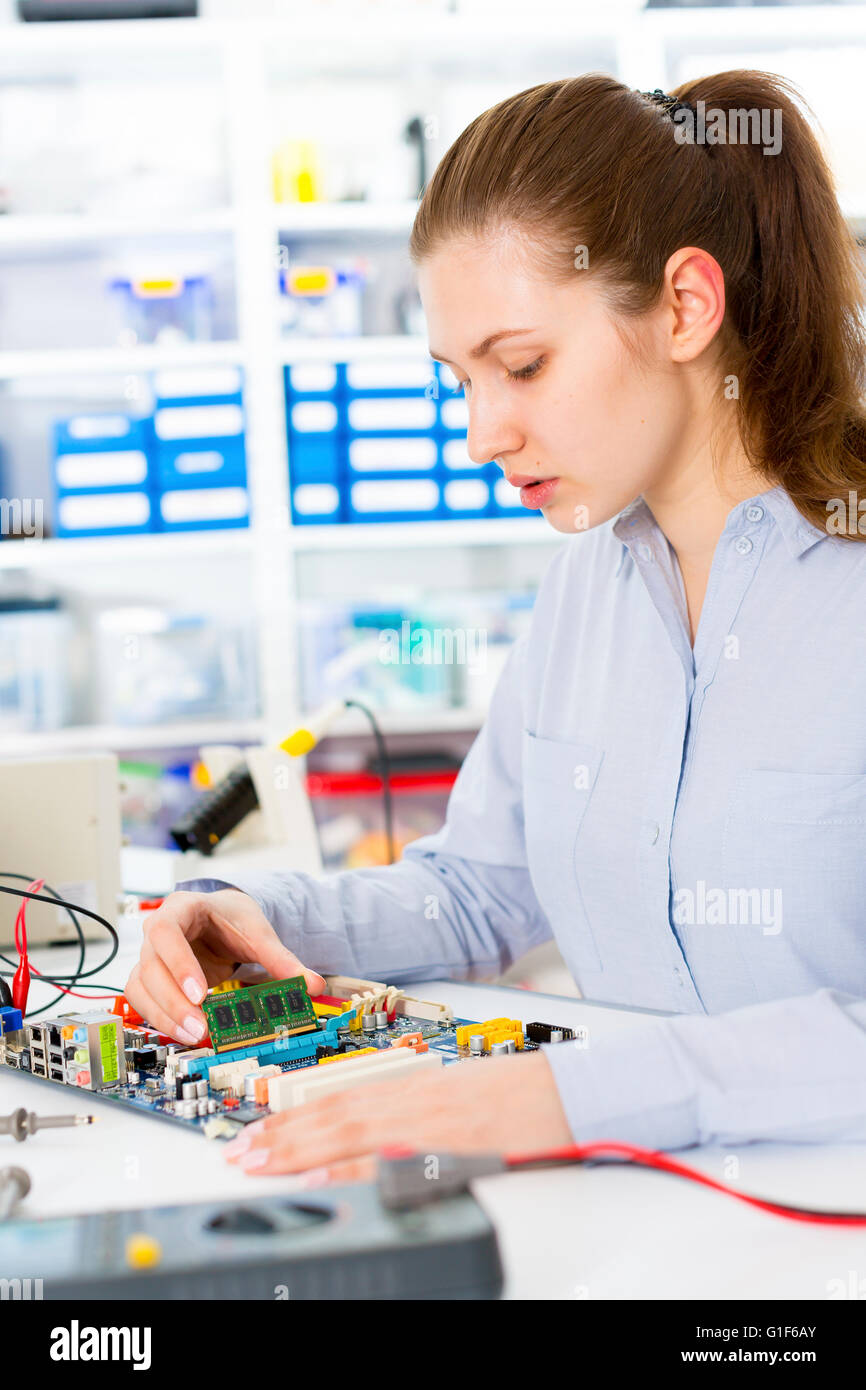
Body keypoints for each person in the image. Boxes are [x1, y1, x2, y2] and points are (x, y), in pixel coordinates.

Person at [126, 70, 866, 1183]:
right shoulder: (586, 589)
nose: (479, 432)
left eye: (521, 365)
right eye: (458, 380)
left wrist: (562, 1097)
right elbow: (480, 888)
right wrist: (250, 912)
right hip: (626, 1229)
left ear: (682, 307)